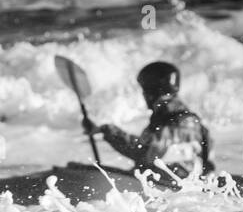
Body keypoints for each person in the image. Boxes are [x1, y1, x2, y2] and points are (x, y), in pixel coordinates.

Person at [81, 61, 214, 185]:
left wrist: (107, 131)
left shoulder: (168, 120)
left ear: (151, 91)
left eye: (144, 90)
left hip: (161, 188)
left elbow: (143, 152)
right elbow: (207, 158)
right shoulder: (193, 120)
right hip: (187, 187)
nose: (144, 95)